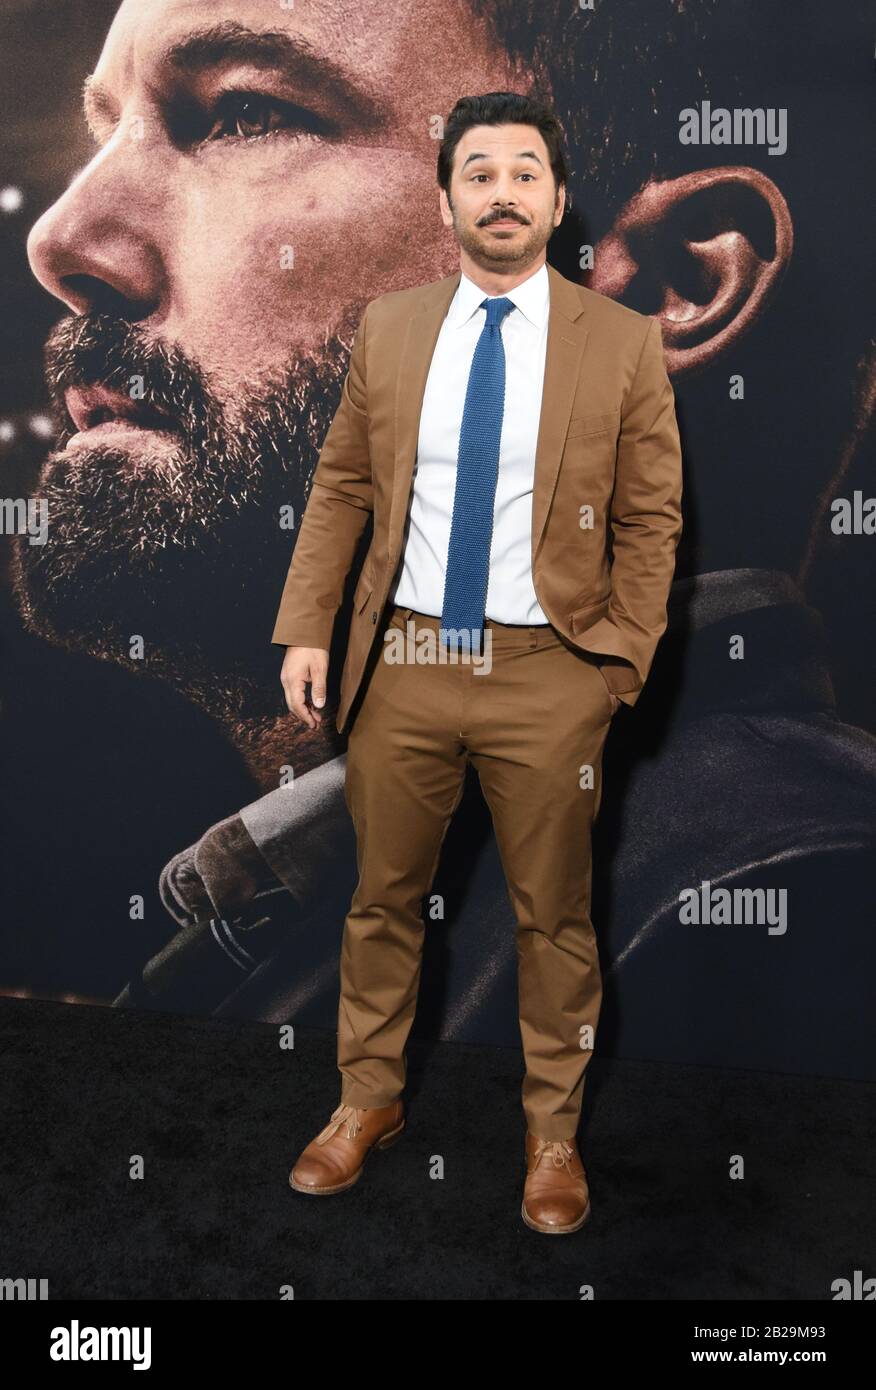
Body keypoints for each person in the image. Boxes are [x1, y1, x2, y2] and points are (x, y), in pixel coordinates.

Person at [272, 92, 683, 1233]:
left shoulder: (621, 342)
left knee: (556, 917)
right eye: (479, 172)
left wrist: (617, 664)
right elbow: (342, 486)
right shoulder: (391, 327)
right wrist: (311, 627)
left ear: (556, 198)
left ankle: (553, 1137)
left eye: (525, 172)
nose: (502, 192)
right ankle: (367, 1104)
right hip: (405, 656)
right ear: (444, 195)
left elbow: (655, 520)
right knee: (381, 901)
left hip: (551, 667)